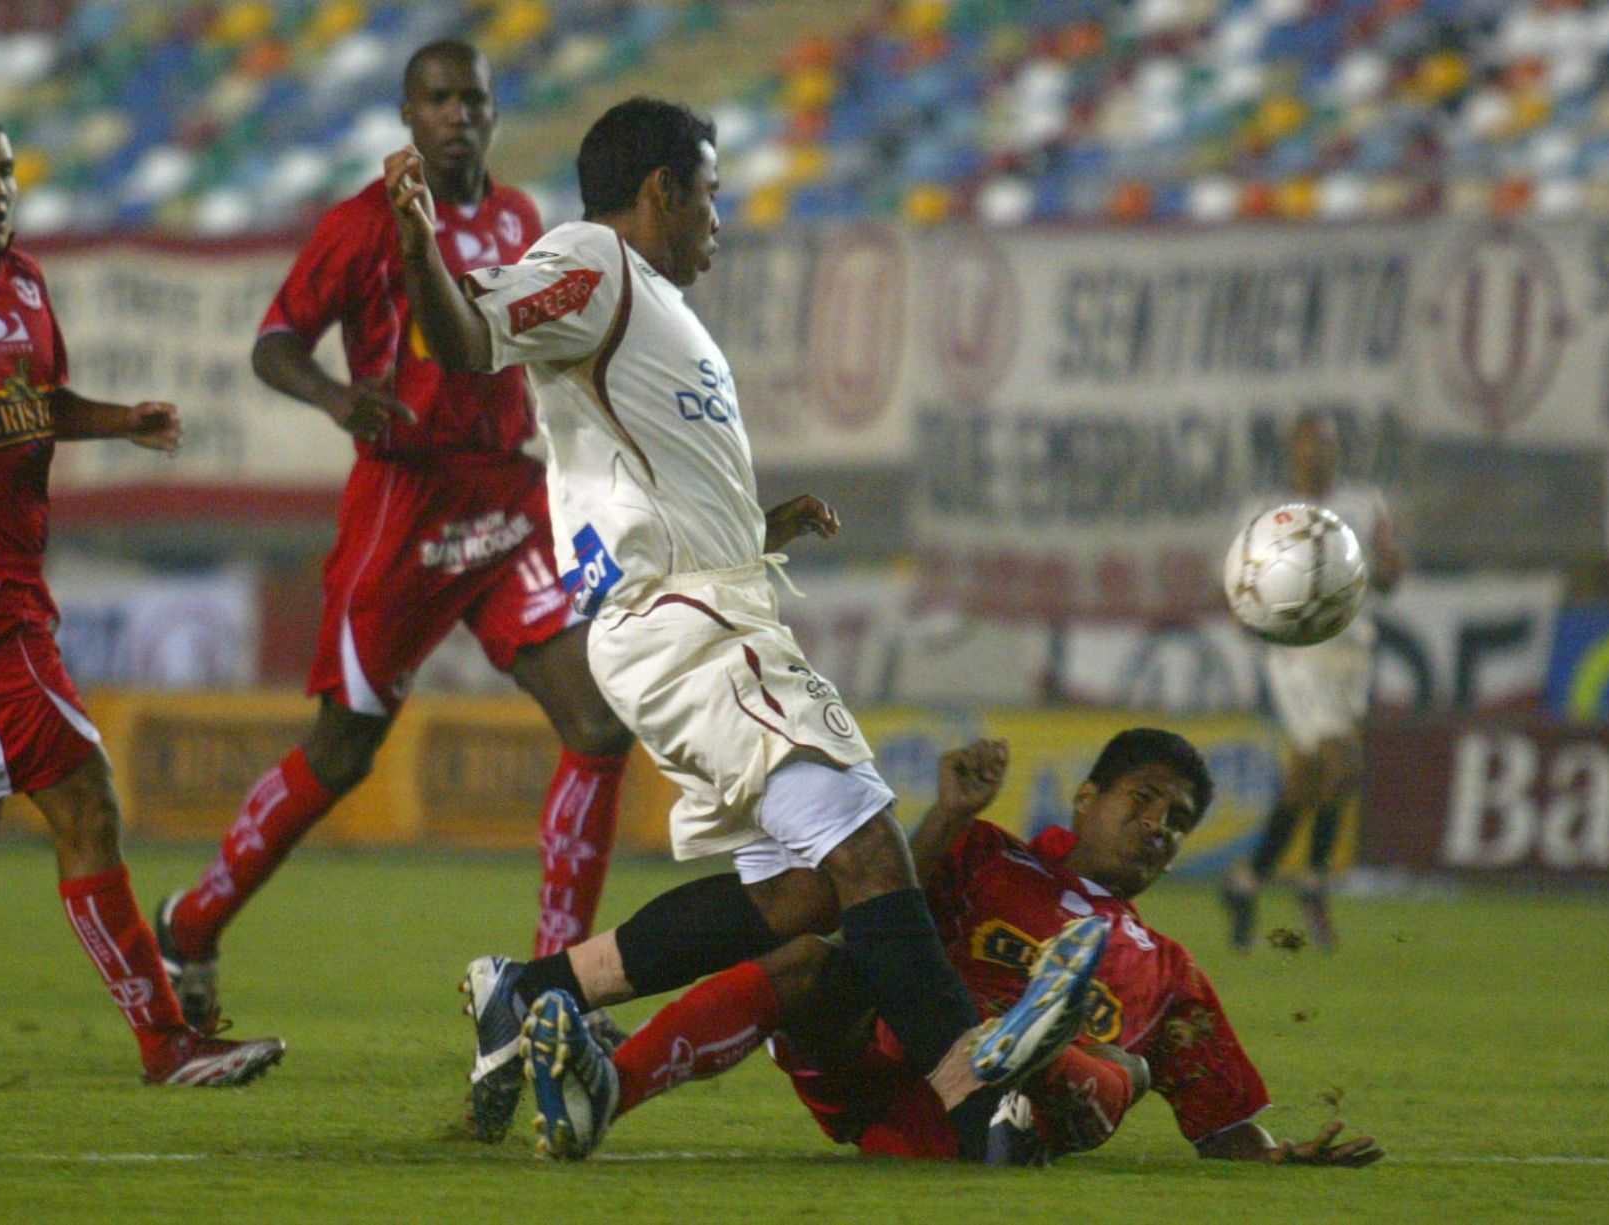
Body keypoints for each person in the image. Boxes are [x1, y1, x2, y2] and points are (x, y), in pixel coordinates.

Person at [388, 96, 1089, 1160]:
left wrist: (761, 528)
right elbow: (465, 335)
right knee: (867, 843)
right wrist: (417, 245)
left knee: (802, 891)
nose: (719, 217)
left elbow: (646, 489)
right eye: (711, 193)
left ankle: (529, 989)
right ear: (662, 189)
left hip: (694, 612)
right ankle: (977, 1099)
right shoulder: (594, 262)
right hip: (690, 625)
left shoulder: (654, 311)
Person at [154, 41, 635, 1031]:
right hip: (404, 507)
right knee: (342, 753)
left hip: (503, 498)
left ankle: (557, 987)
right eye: (440, 100)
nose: (459, 115)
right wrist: (339, 397)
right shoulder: (363, 225)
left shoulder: (520, 216)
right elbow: (274, 341)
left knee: (598, 725)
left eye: (474, 99)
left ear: (493, 112)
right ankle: (191, 924)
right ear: (409, 116)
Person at [529, 733, 1383, 1168]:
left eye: (1180, 821)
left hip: (1001, 1125)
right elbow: (879, 909)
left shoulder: (1172, 970)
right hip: (884, 1059)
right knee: (810, 959)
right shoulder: (987, 855)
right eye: (1144, 798)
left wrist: (1275, 1157)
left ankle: (1033, 1050)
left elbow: (1223, 1125)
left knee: (1127, 1068)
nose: (1158, 826)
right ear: (1087, 798)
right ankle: (606, 1091)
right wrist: (946, 815)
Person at [0, 109, 284, 1085]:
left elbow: (36, 405)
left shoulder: (22, 281)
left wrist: (119, 420)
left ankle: (168, 1042)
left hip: (16, 582)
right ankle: (168, 1042)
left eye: (4, 172)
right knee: (86, 800)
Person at [1221, 410, 1403, 951]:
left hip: (1350, 652)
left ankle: (1247, 881)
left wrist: (1379, 566)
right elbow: (1238, 585)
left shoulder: (1365, 506)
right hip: (1297, 654)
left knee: (1306, 778)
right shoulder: (1265, 512)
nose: (1318, 452)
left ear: (1335, 450)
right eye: (1308, 443)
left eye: (1326, 443)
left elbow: (1390, 576)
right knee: (1343, 761)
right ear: (1292, 449)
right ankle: (1314, 883)